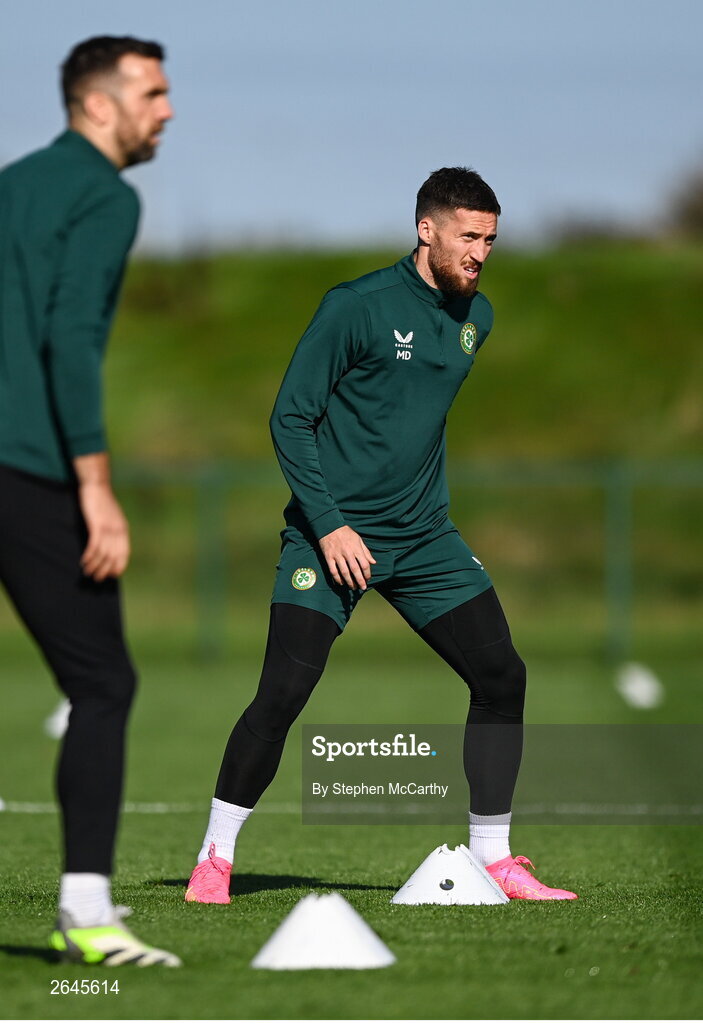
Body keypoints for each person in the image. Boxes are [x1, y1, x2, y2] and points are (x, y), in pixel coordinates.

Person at [185, 167, 577, 905]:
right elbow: (289, 418)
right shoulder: (355, 307)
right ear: (426, 229)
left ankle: (494, 859)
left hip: (424, 537)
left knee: (502, 678)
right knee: (281, 696)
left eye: (490, 238)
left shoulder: (476, 319)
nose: (481, 252)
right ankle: (215, 856)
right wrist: (329, 524)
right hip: (328, 538)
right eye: (468, 236)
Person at [0, 35, 181, 966]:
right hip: (24, 469)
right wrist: (97, 488)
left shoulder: (12, 183)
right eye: (151, 92)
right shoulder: (107, 197)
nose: (168, 109)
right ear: (96, 105)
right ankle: (88, 916)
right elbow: (69, 341)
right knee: (103, 685)